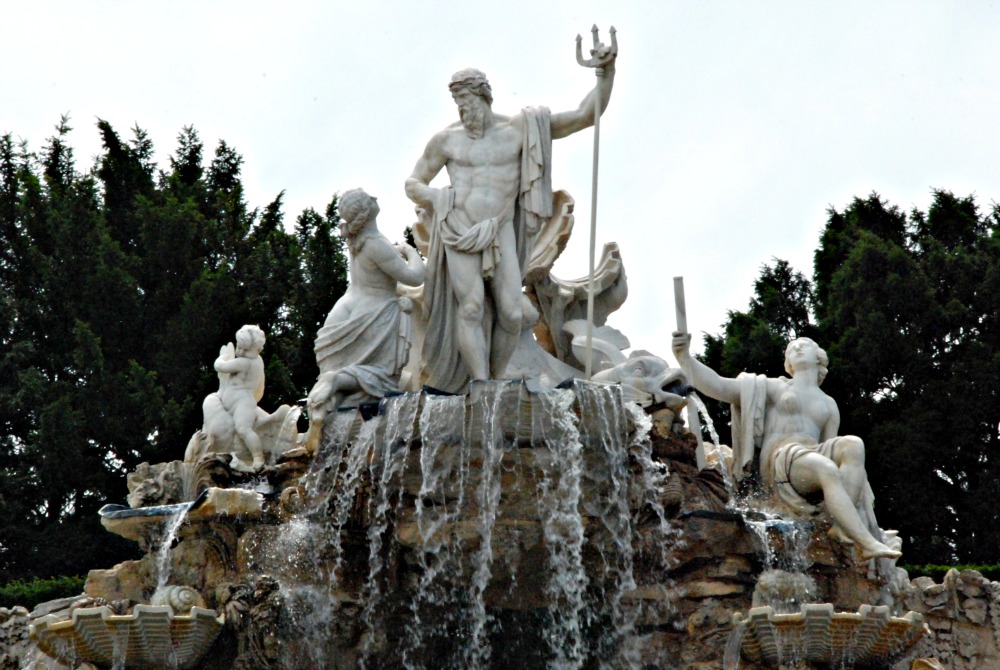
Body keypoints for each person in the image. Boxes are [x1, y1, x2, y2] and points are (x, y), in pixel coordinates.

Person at [405, 43, 617, 393]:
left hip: (500, 227)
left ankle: (496, 375)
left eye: (466, 101)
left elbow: (584, 115)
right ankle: (480, 382)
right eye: (457, 103)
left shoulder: (520, 129)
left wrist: (605, 72)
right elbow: (413, 183)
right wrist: (436, 197)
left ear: (484, 96)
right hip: (458, 229)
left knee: (512, 312)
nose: (463, 110)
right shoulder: (446, 141)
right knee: (470, 307)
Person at [671, 332, 901, 561]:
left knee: (853, 444)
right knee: (827, 469)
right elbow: (720, 387)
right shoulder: (775, 387)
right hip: (781, 458)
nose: (797, 349)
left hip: (810, 458)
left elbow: (831, 447)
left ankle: (842, 526)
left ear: (818, 356)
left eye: (804, 345)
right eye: (791, 349)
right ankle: (866, 542)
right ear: (788, 363)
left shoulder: (829, 404)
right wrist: (685, 358)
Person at [305, 188, 425, 452]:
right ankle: (334, 382)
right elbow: (416, 278)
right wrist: (410, 251)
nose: (375, 197)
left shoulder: (357, 241)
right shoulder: (375, 243)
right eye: (369, 197)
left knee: (354, 388)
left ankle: (327, 396)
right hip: (372, 315)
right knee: (381, 379)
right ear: (366, 211)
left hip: (343, 313)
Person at [213, 324, 269, 469]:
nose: (241, 352)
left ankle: (258, 456)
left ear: (257, 349)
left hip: (243, 403)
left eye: (246, 350)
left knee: (244, 429)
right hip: (238, 402)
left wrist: (221, 358)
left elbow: (221, 367)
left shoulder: (243, 363)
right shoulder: (258, 360)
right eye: (239, 347)